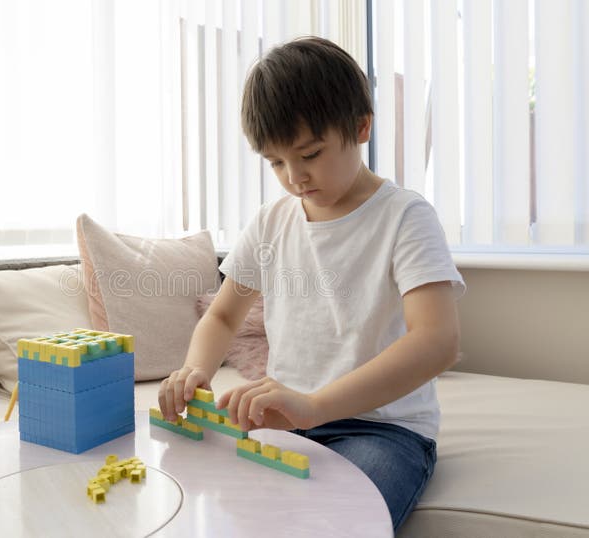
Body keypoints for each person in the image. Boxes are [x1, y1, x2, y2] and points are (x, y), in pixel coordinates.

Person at [157, 36, 465, 531]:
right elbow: (222, 315)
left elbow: (437, 342)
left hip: (382, 431)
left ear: (361, 127)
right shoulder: (271, 221)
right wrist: (196, 370)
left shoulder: (405, 217)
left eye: (310, 154)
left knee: (336, 523)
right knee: (209, 508)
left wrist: (315, 406)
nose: (294, 176)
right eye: (276, 162)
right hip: (284, 421)